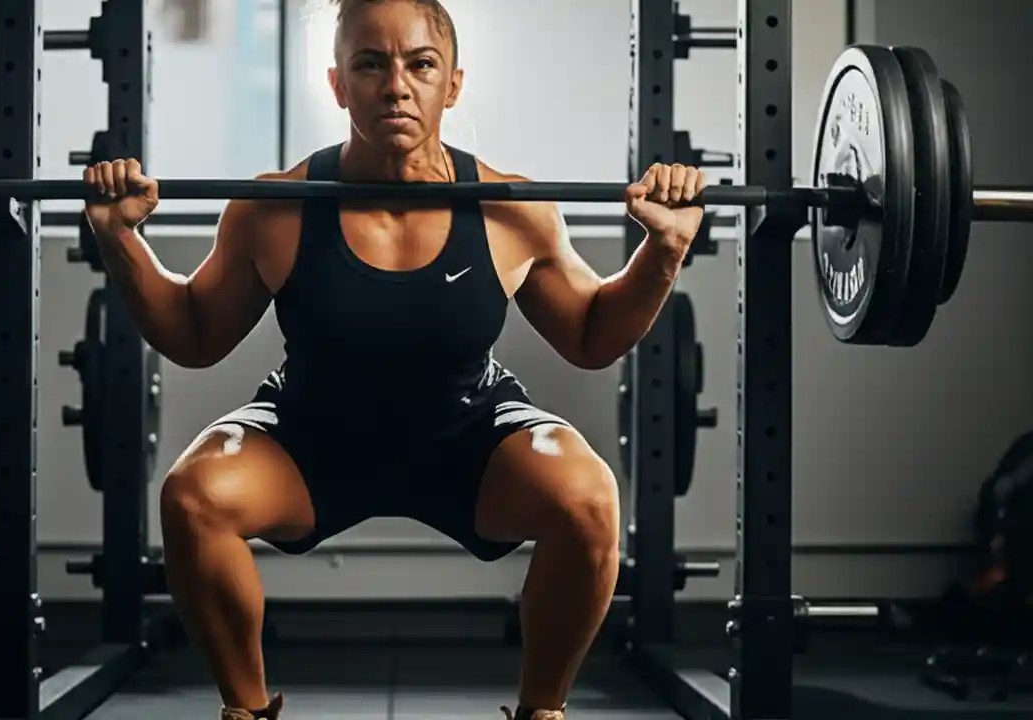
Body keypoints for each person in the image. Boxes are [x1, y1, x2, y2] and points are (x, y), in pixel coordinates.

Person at [82, 1, 706, 718]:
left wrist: (664, 250)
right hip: (312, 438)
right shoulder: (274, 208)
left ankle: (541, 714)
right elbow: (193, 334)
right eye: (371, 64)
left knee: (588, 498)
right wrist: (119, 241)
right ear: (339, 83)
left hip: (468, 439)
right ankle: (247, 713)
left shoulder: (514, 210)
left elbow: (593, 336)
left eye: (420, 64)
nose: (397, 85)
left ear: (454, 83)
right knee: (193, 496)